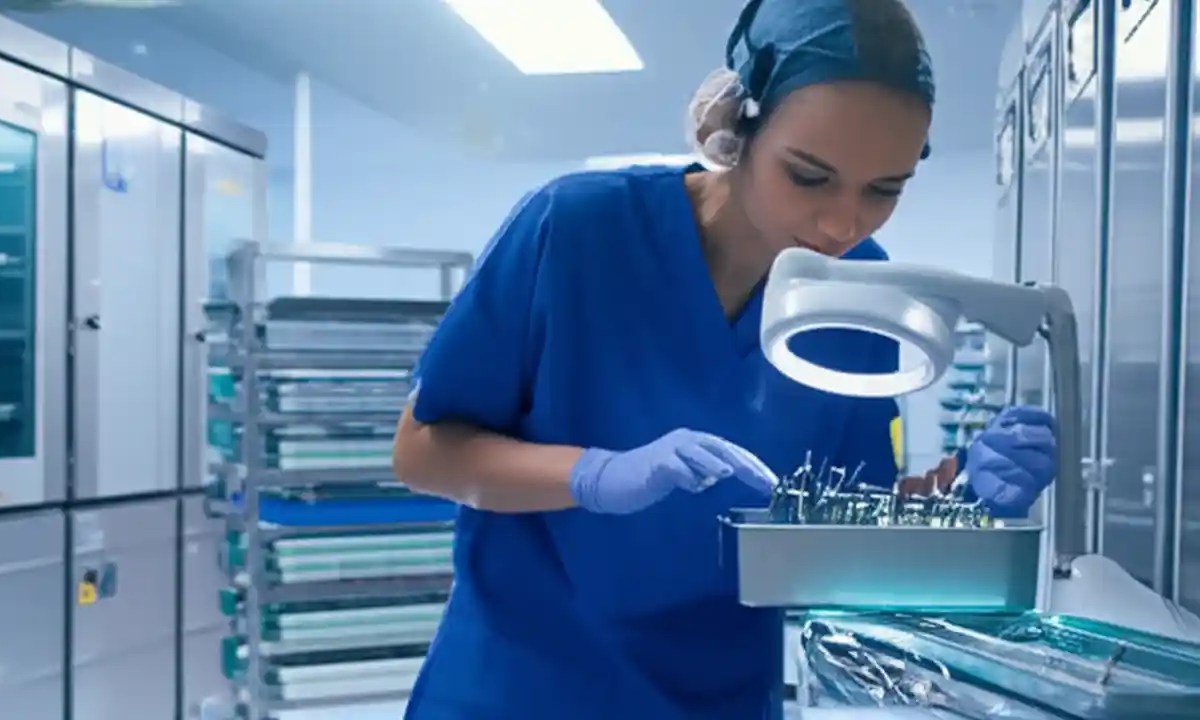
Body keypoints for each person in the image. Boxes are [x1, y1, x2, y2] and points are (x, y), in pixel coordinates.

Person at [392, 0, 1058, 717]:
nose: (843, 224)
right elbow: (422, 452)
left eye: (883, 190)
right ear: (734, 128)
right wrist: (593, 475)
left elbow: (842, 532)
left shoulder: (862, 287)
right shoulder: (577, 229)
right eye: (808, 176)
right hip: (520, 684)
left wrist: (963, 508)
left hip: (714, 696)